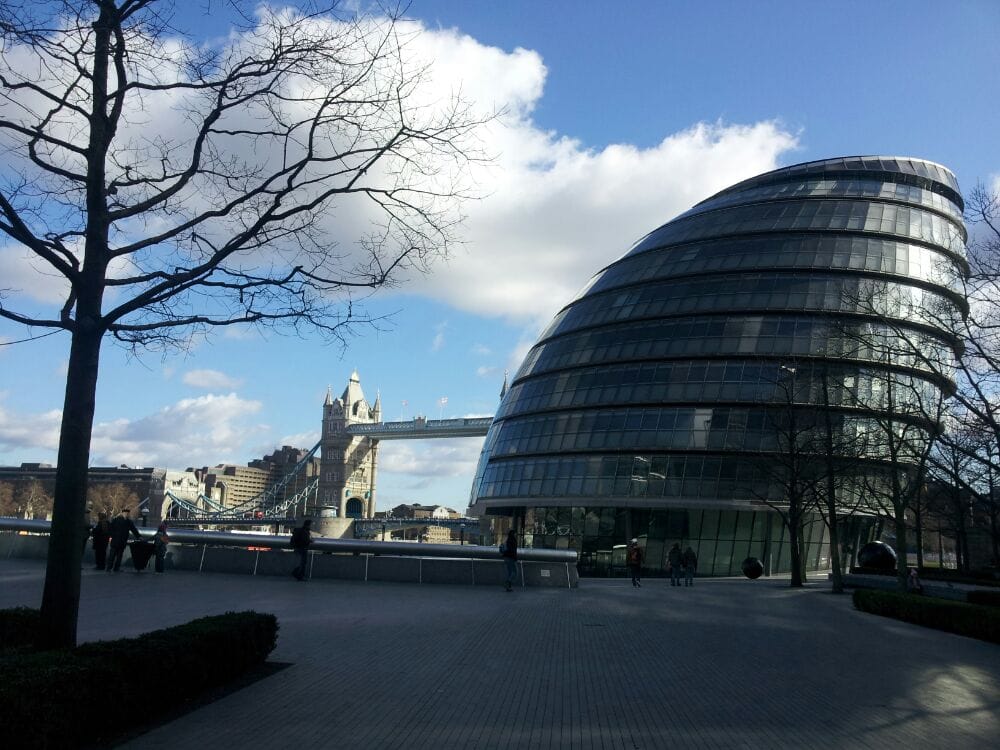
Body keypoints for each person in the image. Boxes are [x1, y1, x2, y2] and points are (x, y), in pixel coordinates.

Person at [106, 508, 141, 572]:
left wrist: (111, 536)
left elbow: (110, 529)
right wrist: (139, 537)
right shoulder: (127, 521)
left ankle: (110, 568)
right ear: (123, 513)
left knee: (115, 555)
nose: (126, 514)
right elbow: (134, 530)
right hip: (120, 540)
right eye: (126, 513)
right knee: (115, 555)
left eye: (127, 514)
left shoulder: (116, 520)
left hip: (117, 540)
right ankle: (114, 568)